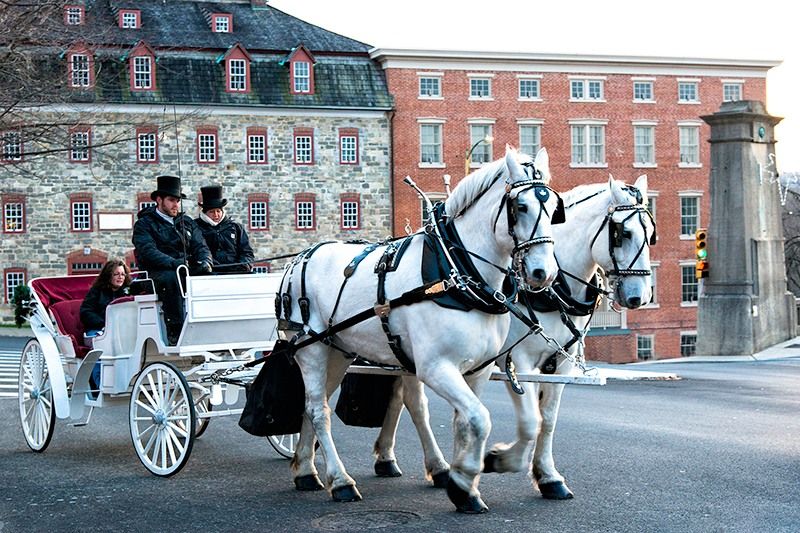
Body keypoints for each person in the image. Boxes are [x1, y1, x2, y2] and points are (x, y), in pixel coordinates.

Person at [132, 175, 212, 344]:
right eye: (171, 200)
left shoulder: (187, 222)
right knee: (172, 279)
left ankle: (210, 326)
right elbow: (148, 251)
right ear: (159, 200)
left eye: (177, 200)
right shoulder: (144, 224)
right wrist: (175, 263)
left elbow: (201, 246)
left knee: (211, 278)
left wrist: (205, 261)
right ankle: (175, 331)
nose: (176, 205)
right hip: (157, 273)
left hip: (185, 269)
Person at [79, 259, 132, 397]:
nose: (120, 277)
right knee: (101, 349)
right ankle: (97, 383)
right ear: (109, 275)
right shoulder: (97, 291)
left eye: (122, 274)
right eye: (116, 274)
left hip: (119, 332)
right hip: (96, 331)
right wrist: (104, 324)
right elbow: (86, 312)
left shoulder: (127, 293)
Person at [195, 184, 255, 273]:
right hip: (210, 274)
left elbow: (247, 252)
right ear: (205, 212)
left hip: (236, 272)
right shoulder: (195, 227)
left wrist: (244, 265)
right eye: (211, 212)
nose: (216, 215)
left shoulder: (236, 227)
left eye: (218, 211)